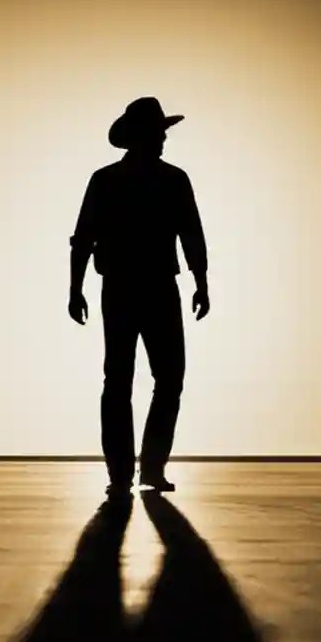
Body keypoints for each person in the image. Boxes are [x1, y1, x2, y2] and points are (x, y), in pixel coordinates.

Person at [68, 97, 210, 495]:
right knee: (135, 379)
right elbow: (84, 236)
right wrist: (75, 288)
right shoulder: (115, 180)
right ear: (143, 136)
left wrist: (201, 279)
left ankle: (138, 470)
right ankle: (131, 471)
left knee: (144, 378)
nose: (164, 138)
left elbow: (190, 233)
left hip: (141, 286)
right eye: (159, 132)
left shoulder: (159, 179)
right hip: (134, 286)